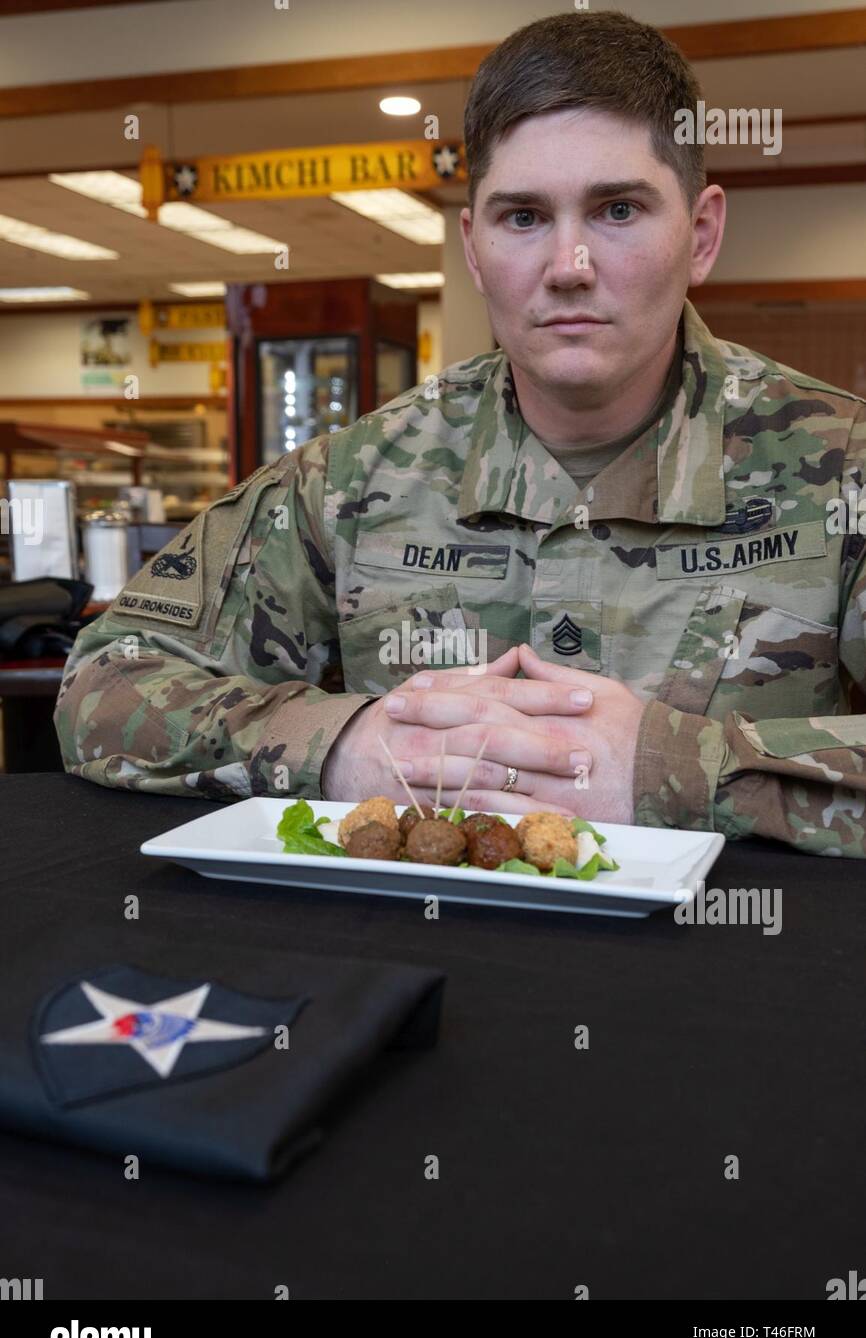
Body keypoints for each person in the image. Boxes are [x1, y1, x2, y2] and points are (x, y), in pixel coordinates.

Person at [54, 10, 866, 855]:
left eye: (617, 210)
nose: (569, 265)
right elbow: (102, 682)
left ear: (699, 235)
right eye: (523, 217)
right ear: (474, 251)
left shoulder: (840, 464)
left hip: (734, 973)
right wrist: (345, 746)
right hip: (418, 963)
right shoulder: (356, 477)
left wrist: (675, 766)